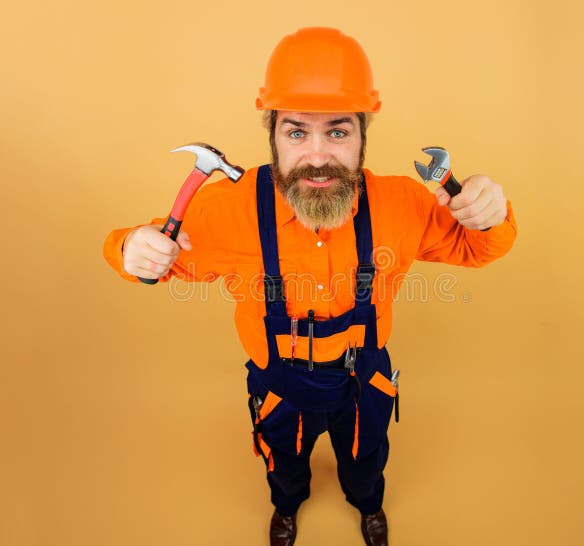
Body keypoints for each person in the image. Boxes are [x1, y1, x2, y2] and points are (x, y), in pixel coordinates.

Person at [103, 26, 517, 546]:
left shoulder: (404, 205)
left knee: (367, 462)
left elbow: (481, 247)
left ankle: (367, 506)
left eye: (338, 132)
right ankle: (287, 508)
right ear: (272, 133)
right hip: (279, 385)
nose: (318, 157)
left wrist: (490, 213)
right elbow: (152, 260)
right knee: (284, 468)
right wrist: (129, 248)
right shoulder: (226, 209)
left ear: (364, 135)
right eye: (297, 132)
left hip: (362, 385)